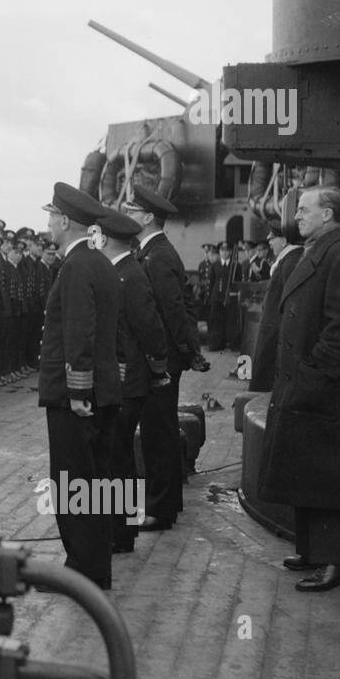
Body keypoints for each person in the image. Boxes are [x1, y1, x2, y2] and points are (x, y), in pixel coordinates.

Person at [258, 188, 340, 592]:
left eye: (304, 210)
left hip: (326, 390)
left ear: (328, 213)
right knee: (306, 472)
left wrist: (311, 375)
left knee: (328, 478)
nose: (297, 215)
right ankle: (312, 551)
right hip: (306, 386)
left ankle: (337, 563)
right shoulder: (317, 250)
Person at [38, 183, 120, 590]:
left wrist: (78, 392)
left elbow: (79, 331)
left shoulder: (75, 266)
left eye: (51, 215)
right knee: (97, 482)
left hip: (79, 399)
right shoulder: (101, 263)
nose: (48, 222)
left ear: (66, 221)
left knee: (73, 481)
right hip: (103, 392)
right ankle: (95, 566)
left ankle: (82, 570)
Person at [123, 185, 202, 532]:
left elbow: (171, 310)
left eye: (133, 211)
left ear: (148, 217)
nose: (128, 216)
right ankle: (169, 503)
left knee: (158, 433)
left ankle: (160, 509)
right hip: (164, 358)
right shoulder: (153, 252)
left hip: (161, 361)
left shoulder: (157, 256)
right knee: (161, 430)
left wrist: (187, 352)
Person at [97, 211, 168, 554]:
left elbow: (150, 328)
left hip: (129, 382)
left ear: (107, 240)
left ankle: (119, 532)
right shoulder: (121, 272)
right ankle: (119, 529)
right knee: (117, 454)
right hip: (126, 379)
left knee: (117, 455)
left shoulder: (130, 275)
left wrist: (157, 367)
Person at [249, 215, 305, 392]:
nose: (269, 241)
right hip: (272, 331)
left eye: (272, 237)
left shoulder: (289, 262)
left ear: (284, 240)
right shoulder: (286, 260)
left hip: (275, 333)